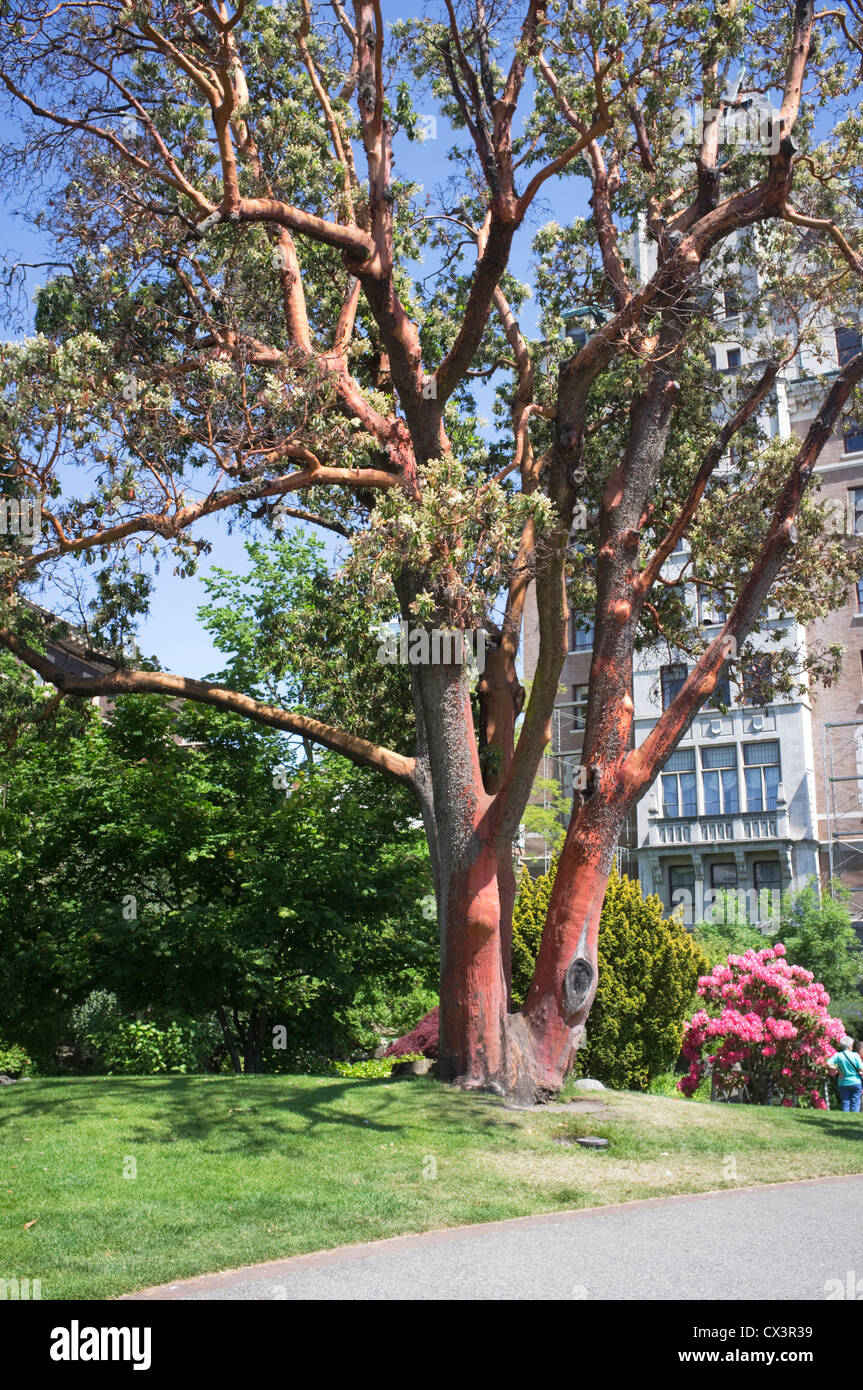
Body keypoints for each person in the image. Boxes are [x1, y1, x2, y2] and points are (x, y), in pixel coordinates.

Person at [826, 1035, 863, 1112]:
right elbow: (861, 1068)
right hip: (855, 1081)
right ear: (850, 1046)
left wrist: (838, 1070)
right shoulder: (855, 1055)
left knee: (845, 1102)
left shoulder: (837, 1055)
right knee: (855, 1102)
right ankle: (853, 1118)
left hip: (843, 1082)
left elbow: (828, 1063)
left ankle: (844, 1118)